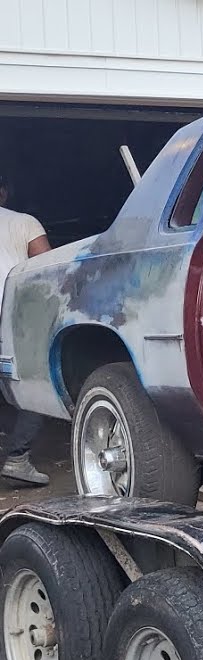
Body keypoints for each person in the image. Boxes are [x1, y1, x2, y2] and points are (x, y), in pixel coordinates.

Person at [0, 175, 52, 485]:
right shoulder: (24, 223)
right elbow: (47, 267)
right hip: (13, 314)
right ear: (3, 193)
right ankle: (18, 459)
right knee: (34, 380)